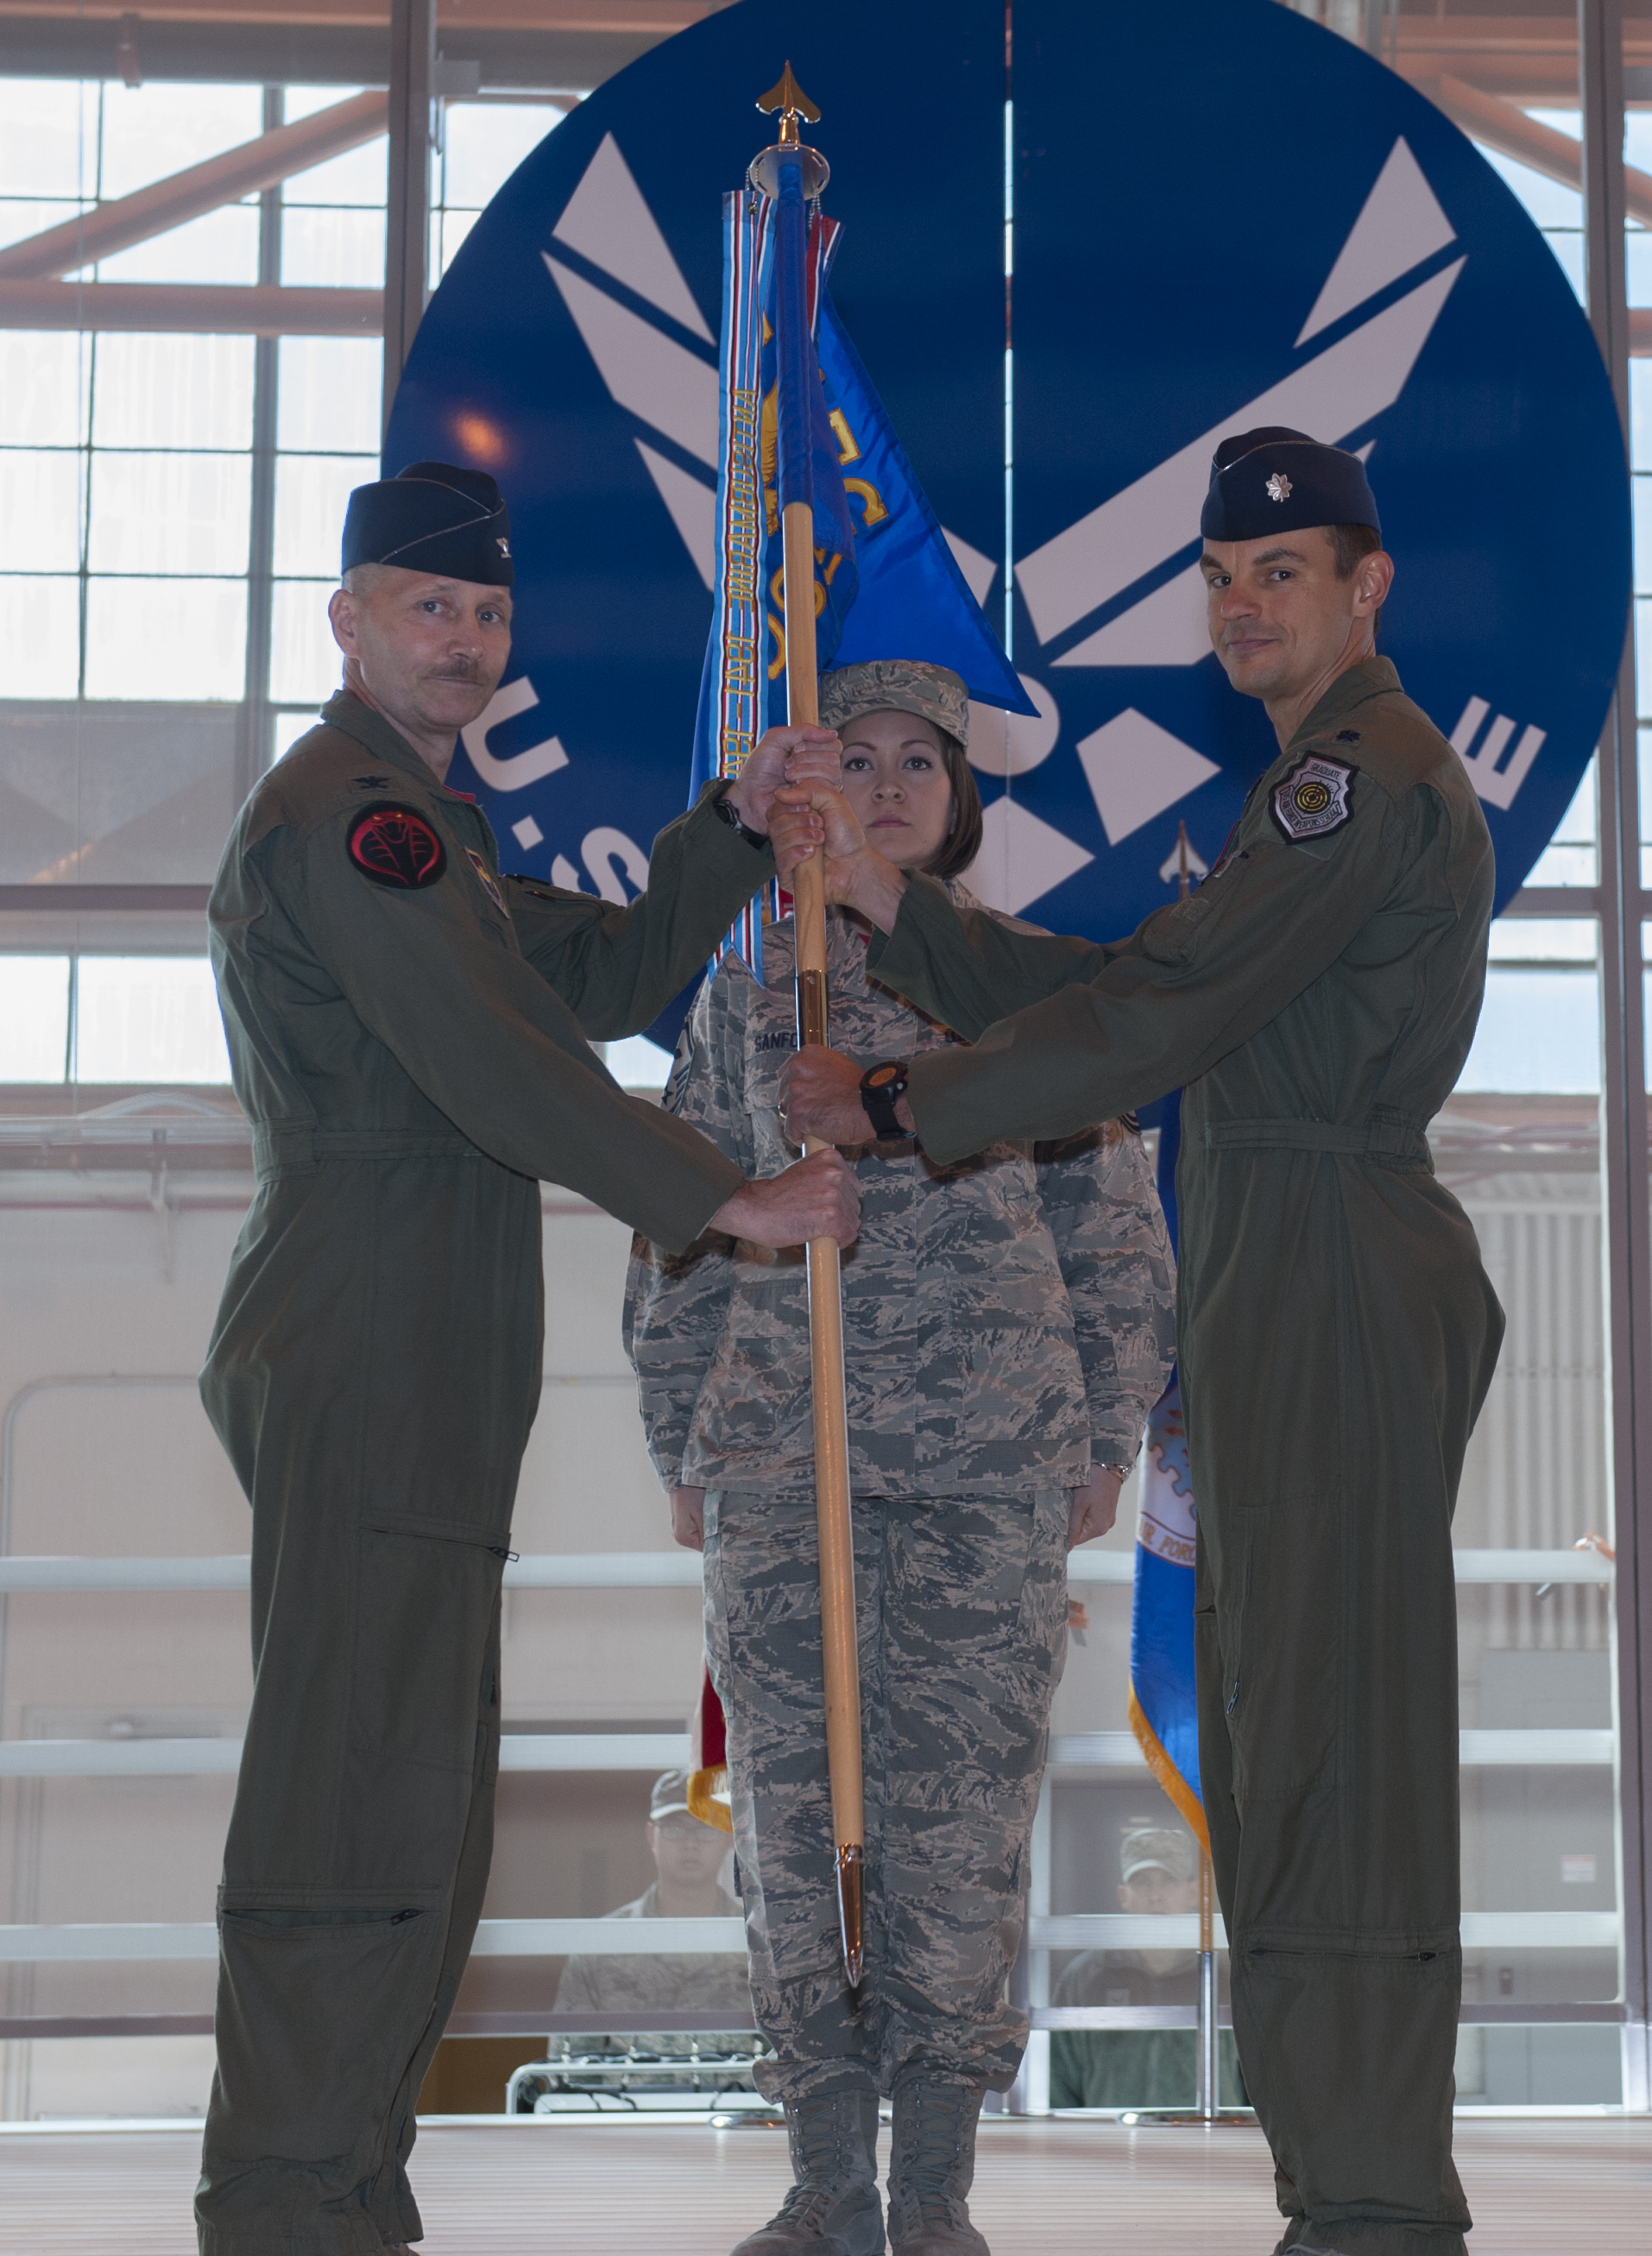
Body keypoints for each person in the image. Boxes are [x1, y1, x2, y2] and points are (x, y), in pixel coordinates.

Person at [782, 431, 1504, 2256]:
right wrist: (898, 913)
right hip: (1285, 1265)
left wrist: (897, 1098)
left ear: (1369, 586)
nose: (1243, 604)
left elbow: (1157, 1012)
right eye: (1222, 576)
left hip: (1331, 1267)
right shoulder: (1308, 789)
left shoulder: (1357, 780)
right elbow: (1135, 984)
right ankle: (1346, 2190)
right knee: (1283, 1754)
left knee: (1330, 1763)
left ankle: (1375, 2208)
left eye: (1285, 571)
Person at [195, 461, 861, 2256]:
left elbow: (610, 975)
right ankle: (286, 2200)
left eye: (490, 613)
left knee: (412, 1785)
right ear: (349, 621)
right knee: (353, 1786)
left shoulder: (440, 831)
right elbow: (496, 1053)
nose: (469, 638)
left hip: (421, 1326)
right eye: (433, 606)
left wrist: (730, 823)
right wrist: (723, 1197)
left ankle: (341, 2182)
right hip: (368, 1312)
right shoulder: (355, 819)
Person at [625, 659, 1175, 2256]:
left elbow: (1113, 1231)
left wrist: (1104, 1429)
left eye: (916, 762)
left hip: (985, 1466)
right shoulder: (746, 1000)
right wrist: (680, 1434)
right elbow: (671, 1221)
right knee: (794, 1829)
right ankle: (824, 2182)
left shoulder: (1018, 998)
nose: (882, 784)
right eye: (851, 759)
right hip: (780, 1463)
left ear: (959, 799)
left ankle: (932, 2189)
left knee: (958, 1831)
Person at [549, 1769, 756, 2076]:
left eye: (705, 1828)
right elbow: (567, 2072)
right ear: (651, 1836)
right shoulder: (600, 1948)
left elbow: (779, 2063)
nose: (690, 1843)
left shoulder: (756, 1943)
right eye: (674, 1828)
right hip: (626, 2108)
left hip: (732, 2106)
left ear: (728, 1837)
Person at [1044, 1819, 1244, 2113]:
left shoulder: (1227, 1975)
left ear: (1193, 1893)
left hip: (1208, 2138)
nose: (1155, 1896)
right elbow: (1058, 2084)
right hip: (1110, 2138)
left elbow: (1258, 2082)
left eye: (1169, 1881)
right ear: (1123, 1896)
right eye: (1142, 1882)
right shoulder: (1086, 1976)